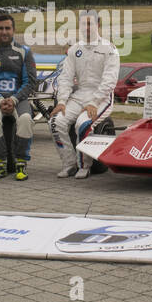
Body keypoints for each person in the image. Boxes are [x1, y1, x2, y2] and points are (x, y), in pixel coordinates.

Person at [50, 11, 119, 179]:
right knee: (55, 122)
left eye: (90, 24)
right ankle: (69, 164)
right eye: (83, 24)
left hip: (101, 98)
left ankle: (84, 166)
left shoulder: (110, 49)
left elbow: (110, 80)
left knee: (82, 124)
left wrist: (94, 102)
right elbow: (65, 77)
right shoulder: (75, 49)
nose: (86, 27)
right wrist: (62, 101)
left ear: (98, 25)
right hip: (79, 95)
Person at [0, 14, 37, 181]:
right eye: (1, 28)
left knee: (26, 119)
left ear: (13, 30)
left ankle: (21, 164)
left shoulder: (25, 52)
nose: (4, 32)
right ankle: (0, 164)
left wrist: (14, 99)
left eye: (7, 28)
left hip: (18, 98)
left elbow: (30, 81)